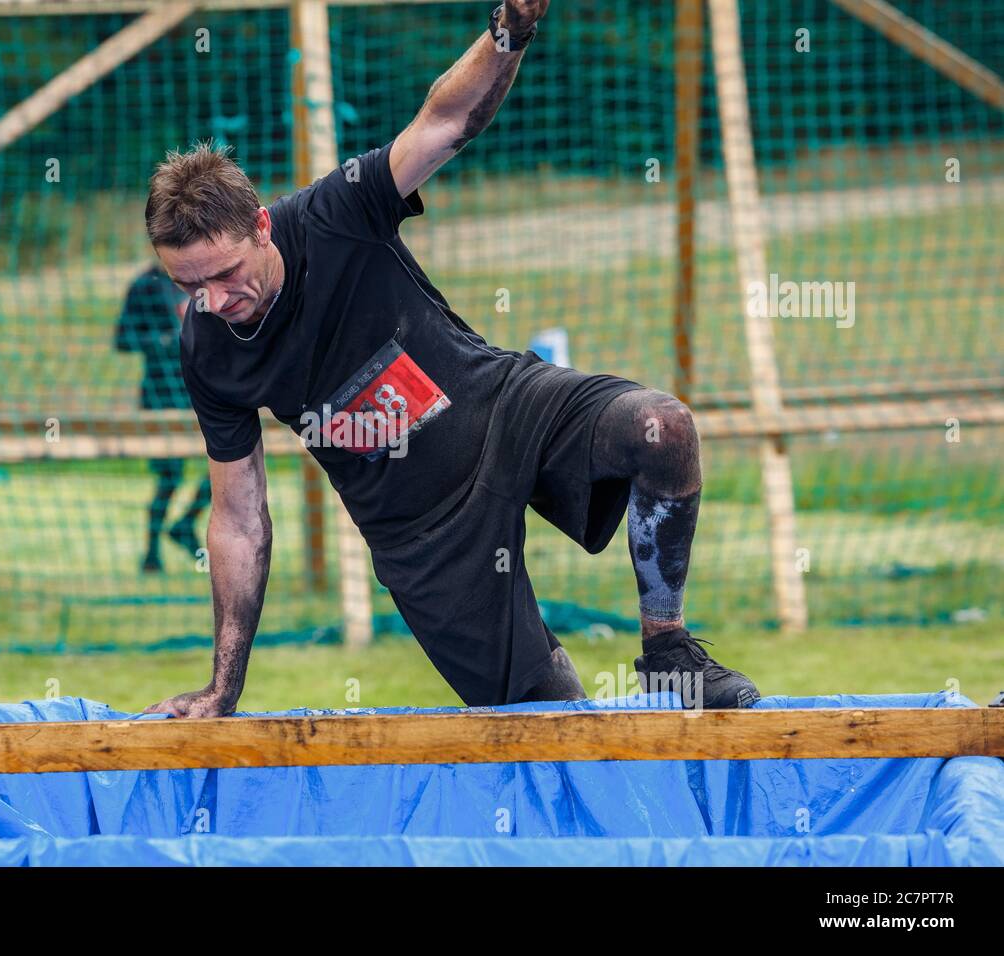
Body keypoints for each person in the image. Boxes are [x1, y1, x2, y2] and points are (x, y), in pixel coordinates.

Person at [142, 0, 759, 717]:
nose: (214, 300)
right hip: (420, 533)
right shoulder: (206, 347)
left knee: (662, 427)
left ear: (260, 226)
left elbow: (442, 122)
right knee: (547, 725)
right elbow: (239, 518)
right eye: (189, 286)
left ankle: (669, 653)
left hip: (501, 409)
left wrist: (509, 33)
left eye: (224, 275)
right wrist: (224, 685)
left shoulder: (334, 213)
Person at [114, 265, 212, 573]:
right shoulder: (145, 285)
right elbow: (123, 339)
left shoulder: (203, 277)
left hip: (202, 389)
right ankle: (151, 553)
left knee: (229, 464)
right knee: (170, 476)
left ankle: (185, 523)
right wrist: (165, 341)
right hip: (161, 393)